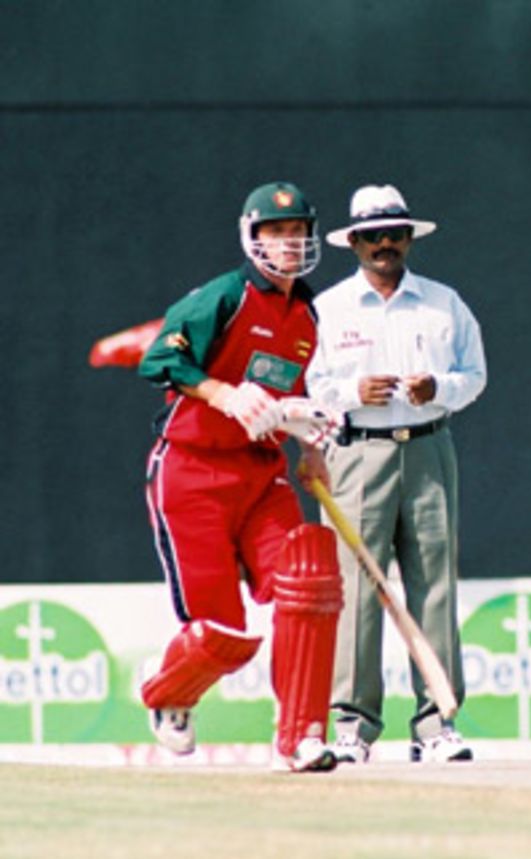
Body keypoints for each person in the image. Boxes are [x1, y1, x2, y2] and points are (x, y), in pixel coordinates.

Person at [138, 181, 345, 772]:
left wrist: (308, 446)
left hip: (261, 472)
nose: (289, 243)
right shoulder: (224, 297)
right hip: (192, 470)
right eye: (276, 233)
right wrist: (222, 394)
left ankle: (301, 736)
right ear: (253, 238)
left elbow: (291, 392)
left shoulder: (308, 314)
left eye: (297, 231)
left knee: (309, 580)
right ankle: (167, 690)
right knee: (221, 634)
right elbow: (160, 360)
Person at [306, 184, 487, 763]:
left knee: (434, 583)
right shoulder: (328, 308)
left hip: (429, 447)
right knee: (357, 588)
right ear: (354, 242)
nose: (385, 244)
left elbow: (475, 375)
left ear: (409, 238)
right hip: (357, 452)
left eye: (395, 234)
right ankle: (352, 724)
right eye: (373, 236)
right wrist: (350, 393)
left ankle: (436, 722)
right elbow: (308, 384)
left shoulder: (442, 303)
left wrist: (441, 388)